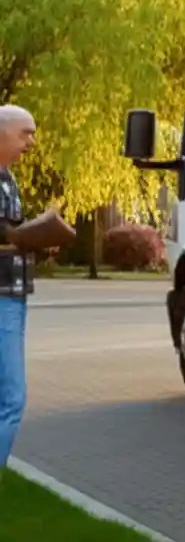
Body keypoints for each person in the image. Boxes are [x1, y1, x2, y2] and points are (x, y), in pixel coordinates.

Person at [0, 104, 38, 473]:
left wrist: (38, 239)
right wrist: (27, 237)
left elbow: (12, 231)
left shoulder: (7, 178)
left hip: (14, 293)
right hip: (1, 298)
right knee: (12, 398)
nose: (31, 141)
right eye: (25, 133)